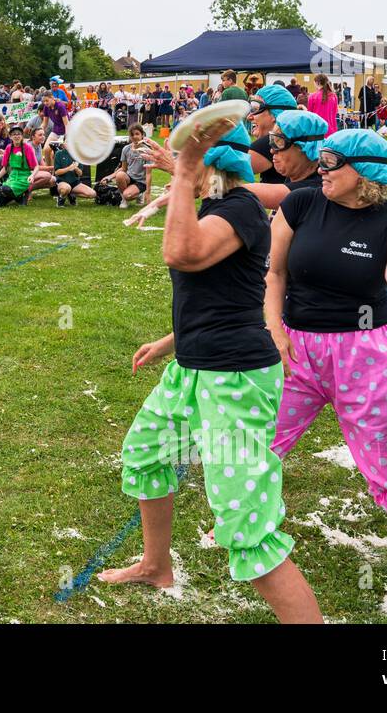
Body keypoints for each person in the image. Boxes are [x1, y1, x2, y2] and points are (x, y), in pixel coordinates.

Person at [97, 120, 322, 623]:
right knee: (147, 454)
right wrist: (170, 341)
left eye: (191, 162)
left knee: (246, 524)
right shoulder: (220, 206)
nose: (181, 169)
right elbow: (227, 295)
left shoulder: (241, 208)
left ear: (213, 167)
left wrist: (180, 177)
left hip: (235, 378)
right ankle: (156, 566)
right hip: (194, 365)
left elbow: (183, 252)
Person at [267, 129, 387, 590]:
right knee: (260, 442)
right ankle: (248, 524)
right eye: (321, 161)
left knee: (385, 465)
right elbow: (274, 272)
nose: (321, 169)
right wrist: (273, 328)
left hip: (365, 355)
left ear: (363, 171)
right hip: (297, 349)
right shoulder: (302, 204)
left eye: (332, 162)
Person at [243, 110, 328, 210]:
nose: (272, 150)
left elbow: (275, 194)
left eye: (279, 143)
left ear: (303, 148)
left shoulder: (316, 187)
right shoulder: (297, 175)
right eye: (272, 141)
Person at [247, 84, 299, 185]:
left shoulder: (271, 142)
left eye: (255, 108)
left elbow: (225, 169)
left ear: (275, 114)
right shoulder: (294, 139)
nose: (249, 116)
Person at [100, 124, 149, 208]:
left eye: (137, 134)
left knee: (128, 195)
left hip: (141, 182)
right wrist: (109, 177)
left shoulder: (147, 151)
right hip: (129, 178)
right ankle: (124, 200)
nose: (134, 137)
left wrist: (148, 192)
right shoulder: (126, 149)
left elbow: (149, 173)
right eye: (132, 134)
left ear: (142, 135)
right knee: (120, 175)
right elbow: (123, 168)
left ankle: (140, 194)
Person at [0, 125, 38, 207]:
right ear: (10, 137)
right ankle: (19, 198)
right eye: (14, 134)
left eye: (19, 134)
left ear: (22, 136)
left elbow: (36, 167)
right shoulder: (8, 148)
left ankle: (23, 193)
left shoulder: (27, 148)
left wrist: (32, 176)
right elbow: (5, 169)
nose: (16, 136)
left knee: (4, 189)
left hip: (24, 178)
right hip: (12, 178)